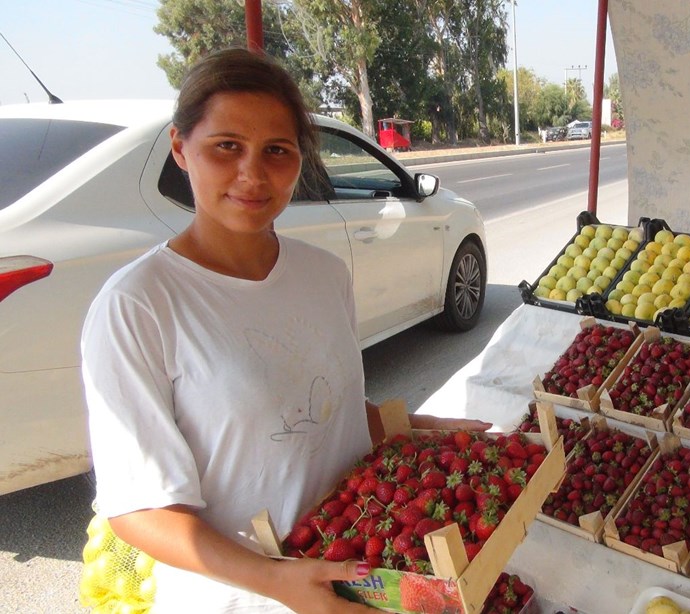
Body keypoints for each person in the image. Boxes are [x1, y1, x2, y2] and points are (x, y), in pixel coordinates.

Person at [81, 48, 487, 613]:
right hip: (243, 597)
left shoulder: (323, 274)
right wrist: (276, 583)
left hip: (352, 571)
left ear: (300, 160)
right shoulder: (138, 305)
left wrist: (415, 427)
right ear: (181, 148)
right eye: (227, 147)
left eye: (277, 150)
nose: (252, 174)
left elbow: (325, 415)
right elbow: (139, 510)